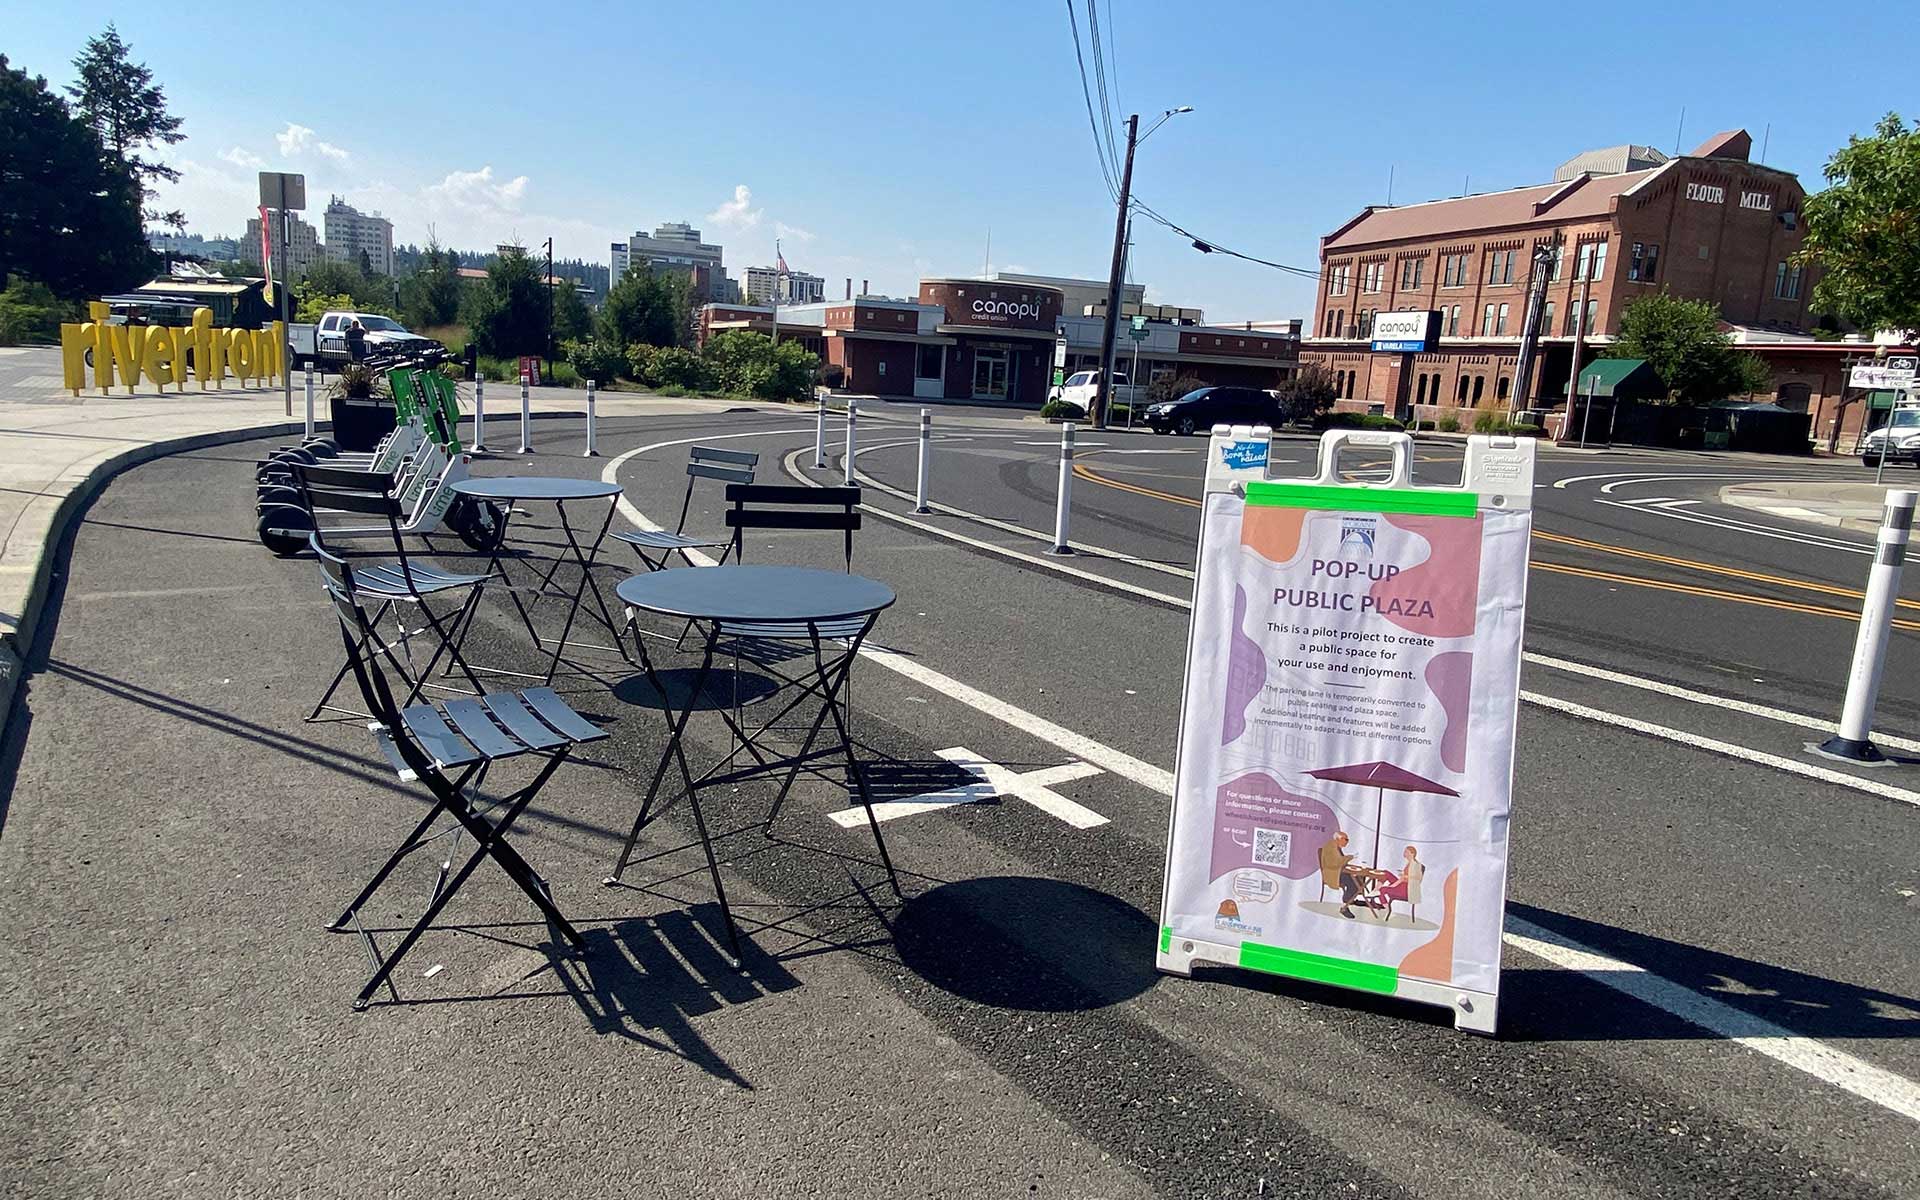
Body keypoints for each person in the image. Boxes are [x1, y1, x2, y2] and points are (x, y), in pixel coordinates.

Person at [1317, 831, 1367, 919]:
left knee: (1360, 877)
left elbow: (1341, 863)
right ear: (1338, 839)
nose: (1347, 842)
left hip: (1339, 871)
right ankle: (1345, 906)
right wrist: (1349, 857)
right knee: (1353, 882)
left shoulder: (1336, 847)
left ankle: (1352, 900)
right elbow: (1335, 863)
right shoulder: (1330, 847)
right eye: (1346, 839)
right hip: (1333, 875)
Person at [1375, 846, 1425, 917]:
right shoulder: (1409, 863)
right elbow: (1403, 878)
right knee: (1386, 873)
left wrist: (1404, 877)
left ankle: (1388, 910)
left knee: (1382, 890)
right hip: (1402, 884)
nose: (1404, 853)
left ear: (1412, 853)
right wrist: (1402, 877)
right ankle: (1375, 891)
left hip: (1407, 889)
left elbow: (1418, 878)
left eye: (1406, 852)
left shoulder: (1416, 865)